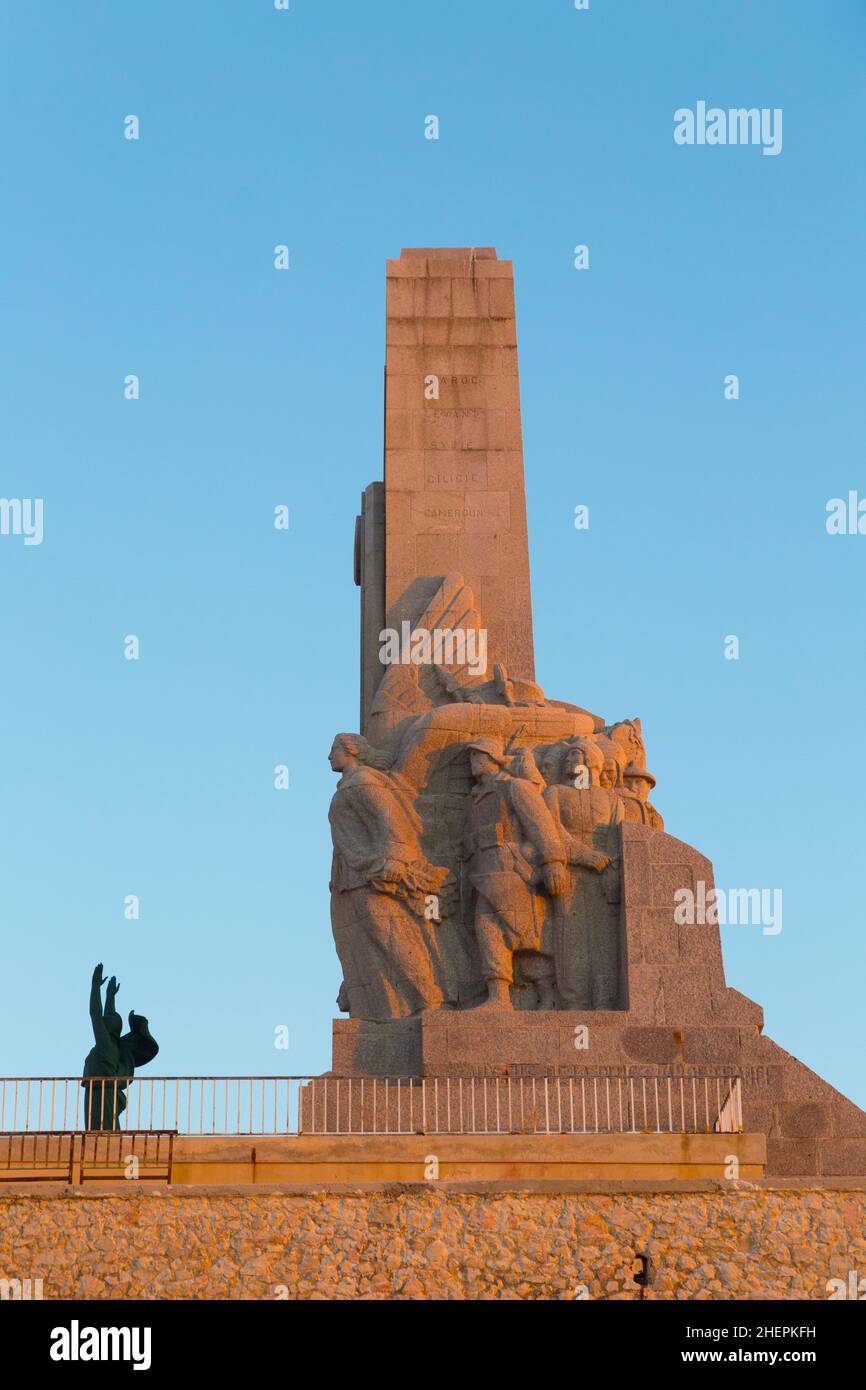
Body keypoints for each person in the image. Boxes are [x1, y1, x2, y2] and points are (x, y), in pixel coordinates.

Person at [328, 732, 450, 1019]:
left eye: (334, 749)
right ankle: (385, 1010)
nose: (329, 756)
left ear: (352, 751)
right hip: (349, 878)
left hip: (372, 874)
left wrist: (394, 858)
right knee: (359, 943)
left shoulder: (364, 781)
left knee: (393, 938)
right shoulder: (348, 784)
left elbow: (390, 817)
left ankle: (430, 1000)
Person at [463, 737, 567, 1011]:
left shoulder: (515, 787)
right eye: (472, 756)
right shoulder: (475, 799)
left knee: (523, 933)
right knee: (489, 926)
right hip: (483, 871)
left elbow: (541, 824)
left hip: (513, 869)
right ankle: (499, 996)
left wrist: (553, 861)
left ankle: (547, 994)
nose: (473, 762)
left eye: (478, 756)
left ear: (494, 758)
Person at [543, 740, 623, 1009]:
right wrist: (586, 857)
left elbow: (617, 839)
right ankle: (573, 1005)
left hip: (604, 878)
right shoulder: (554, 793)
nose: (567, 760)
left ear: (591, 761)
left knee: (604, 944)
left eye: (574, 754)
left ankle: (604, 1002)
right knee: (570, 942)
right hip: (570, 875)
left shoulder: (611, 800)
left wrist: (611, 870)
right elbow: (552, 833)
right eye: (566, 755)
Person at [82, 964, 159, 1130]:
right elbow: (109, 1016)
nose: (101, 1022)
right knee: (104, 1129)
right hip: (100, 1090)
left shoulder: (105, 1045)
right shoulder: (112, 1045)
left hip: (100, 1092)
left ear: (107, 1028)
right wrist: (110, 996)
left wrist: (95, 987)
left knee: (100, 1133)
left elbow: (95, 1014)